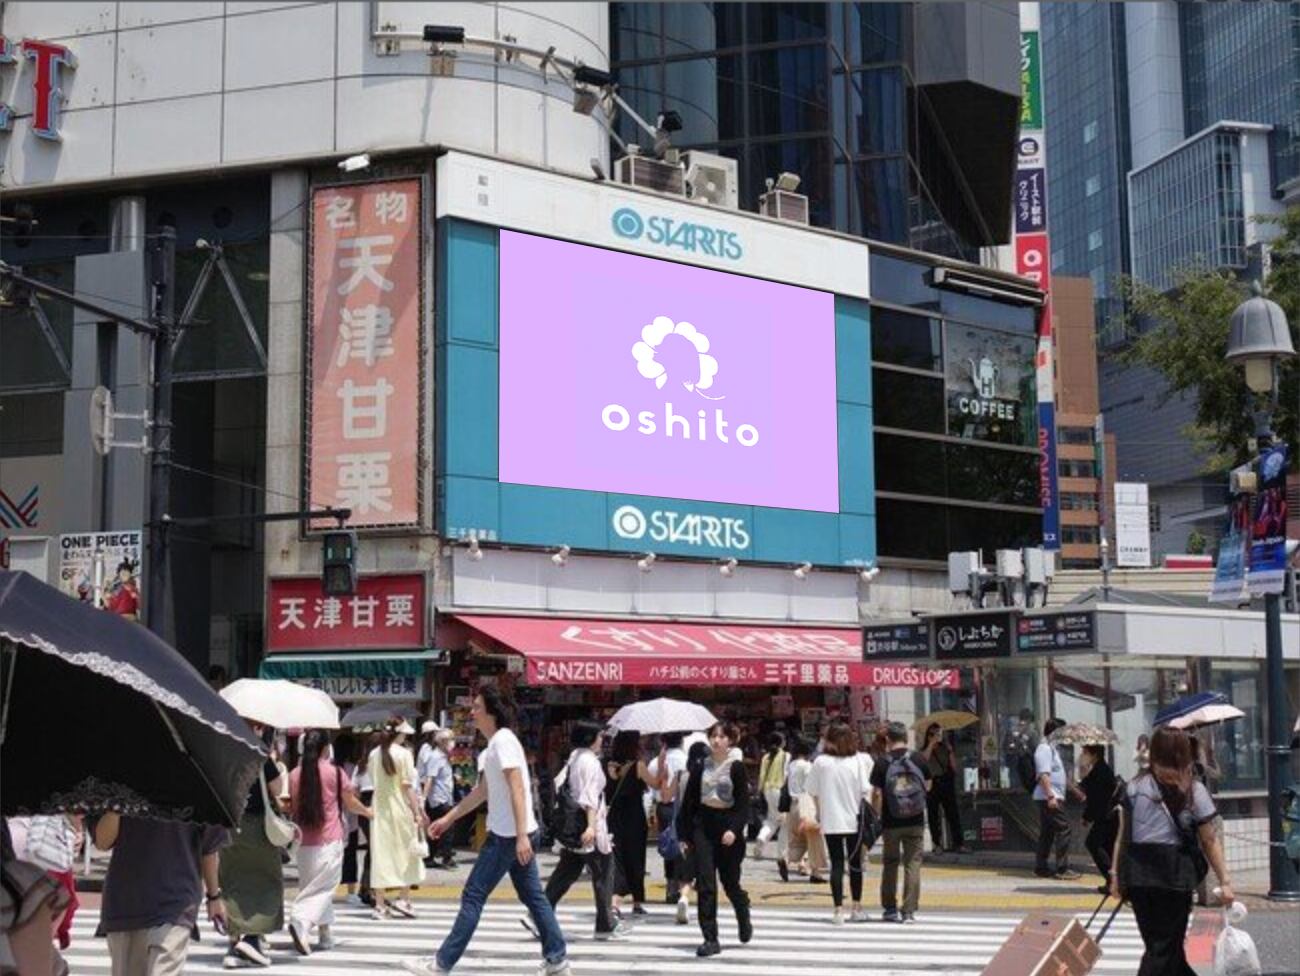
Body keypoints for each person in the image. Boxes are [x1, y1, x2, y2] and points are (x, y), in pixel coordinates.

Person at [402, 686, 570, 976]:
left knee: (473, 896)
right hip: (515, 832)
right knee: (534, 898)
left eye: (477, 707)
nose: (472, 712)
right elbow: (482, 792)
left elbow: (517, 786)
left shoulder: (503, 742)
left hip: (507, 836)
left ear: (491, 712)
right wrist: (449, 818)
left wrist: (519, 836)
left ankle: (442, 964)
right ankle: (557, 960)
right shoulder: (496, 744)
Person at [1111, 726, 1234, 976]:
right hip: (1174, 875)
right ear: (1182, 753)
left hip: (1138, 874)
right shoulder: (1192, 790)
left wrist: (1116, 875)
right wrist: (1225, 881)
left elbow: (1122, 837)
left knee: (1166, 947)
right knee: (1163, 949)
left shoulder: (1134, 787)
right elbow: (1209, 840)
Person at [91, 813, 227, 975]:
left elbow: (209, 847)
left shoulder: (202, 789)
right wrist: (118, 804)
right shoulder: (111, 789)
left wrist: (214, 896)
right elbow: (102, 842)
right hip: (126, 903)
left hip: (177, 902)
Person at [529, 721, 628, 941]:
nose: (602, 740)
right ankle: (605, 924)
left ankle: (540, 914)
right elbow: (589, 797)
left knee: (567, 871)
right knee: (604, 871)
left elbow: (560, 783)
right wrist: (592, 825)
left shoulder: (575, 757)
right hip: (588, 827)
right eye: (599, 736)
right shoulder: (589, 762)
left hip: (574, 825)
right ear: (590, 738)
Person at [288, 730, 373, 955]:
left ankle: (325, 934)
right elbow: (350, 803)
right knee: (323, 889)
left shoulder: (295, 774)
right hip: (330, 838)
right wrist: (368, 812)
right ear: (326, 748)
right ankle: (301, 921)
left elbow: (291, 806)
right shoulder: (334, 772)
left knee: (311, 887)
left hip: (303, 841)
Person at [677, 721, 752, 958]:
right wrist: (684, 835)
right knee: (706, 883)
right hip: (704, 827)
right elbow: (689, 803)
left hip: (728, 828)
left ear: (730, 740)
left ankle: (742, 909)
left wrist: (734, 829)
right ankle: (710, 937)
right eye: (713, 736)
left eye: (721, 736)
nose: (717, 740)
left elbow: (743, 805)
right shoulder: (700, 766)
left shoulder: (737, 767)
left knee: (730, 883)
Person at [220, 725, 286, 967]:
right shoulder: (258, 752)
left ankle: (232, 944)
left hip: (229, 825)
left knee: (232, 882)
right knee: (264, 881)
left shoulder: (223, 751)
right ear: (256, 727)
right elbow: (278, 788)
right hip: (257, 826)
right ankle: (252, 938)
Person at [808, 721, 873, 924]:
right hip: (854, 819)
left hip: (831, 818)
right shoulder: (857, 761)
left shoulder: (821, 762)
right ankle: (856, 907)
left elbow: (813, 791)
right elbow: (865, 790)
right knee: (855, 864)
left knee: (836, 863)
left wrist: (819, 812)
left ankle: (838, 911)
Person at [871, 721, 931, 923]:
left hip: (891, 821)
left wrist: (877, 815)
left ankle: (889, 909)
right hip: (915, 819)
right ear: (906, 737)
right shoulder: (918, 759)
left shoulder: (882, 762)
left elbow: (877, 794)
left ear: (888, 739)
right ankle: (908, 911)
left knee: (890, 863)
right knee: (913, 863)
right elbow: (928, 786)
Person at [368, 719, 426, 920]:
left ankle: (380, 905)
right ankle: (403, 897)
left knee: (381, 855)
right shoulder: (404, 754)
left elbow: (372, 780)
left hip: (379, 808)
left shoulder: (374, 754)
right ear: (400, 734)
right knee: (406, 852)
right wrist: (417, 812)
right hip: (400, 807)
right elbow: (407, 786)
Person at [605, 730, 664, 918]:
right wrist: (661, 765)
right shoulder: (638, 766)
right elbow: (655, 784)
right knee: (636, 858)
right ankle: (637, 902)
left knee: (616, 859)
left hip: (613, 816)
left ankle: (614, 902)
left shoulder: (606, 765)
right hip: (634, 818)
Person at [1034, 718, 1080, 880]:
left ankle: (1041, 867)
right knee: (1064, 828)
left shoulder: (1053, 749)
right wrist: (1051, 796)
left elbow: (1059, 775)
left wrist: (1075, 791)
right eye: (1063, 731)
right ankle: (1062, 868)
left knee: (1048, 832)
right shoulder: (1044, 749)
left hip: (1052, 796)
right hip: (1049, 796)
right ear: (1055, 732)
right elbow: (1043, 775)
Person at [778, 736, 827, 884]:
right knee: (814, 838)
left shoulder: (791, 765)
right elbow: (814, 787)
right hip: (806, 802)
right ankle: (816, 873)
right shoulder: (807, 766)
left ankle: (785, 858)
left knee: (797, 841)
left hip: (792, 805)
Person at [1070, 743, 1119, 894]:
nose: (1082, 756)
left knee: (1093, 844)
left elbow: (1095, 798)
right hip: (1107, 816)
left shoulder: (1100, 771)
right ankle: (1116, 880)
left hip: (1106, 816)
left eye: (1085, 752)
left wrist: (1087, 817)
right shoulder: (1099, 769)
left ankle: (1112, 881)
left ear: (1094, 755)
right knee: (1107, 848)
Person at [647, 731, 688, 904]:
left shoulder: (656, 761)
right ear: (681, 741)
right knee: (684, 847)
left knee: (668, 846)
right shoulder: (686, 760)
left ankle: (670, 886)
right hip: (682, 807)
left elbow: (650, 789)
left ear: (663, 742)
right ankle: (682, 885)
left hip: (664, 808)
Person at [922, 724, 964, 854]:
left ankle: (959, 843)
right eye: (931, 734)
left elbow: (954, 767)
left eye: (937, 733)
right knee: (933, 815)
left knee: (952, 813)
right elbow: (924, 760)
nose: (935, 736)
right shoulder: (924, 749)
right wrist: (931, 744)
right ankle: (937, 843)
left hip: (946, 782)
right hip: (932, 783)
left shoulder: (945, 748)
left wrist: (950, 751)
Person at [419, 728, 457, 869]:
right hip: (439, 798)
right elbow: (430, 778)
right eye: (451, 740)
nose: (453, 743)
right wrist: (423, 798)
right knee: (448, 826)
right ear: (443, 742)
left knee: (437, 827)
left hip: (444, 797)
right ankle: (446, 857)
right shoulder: (435, 757)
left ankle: (429, 857)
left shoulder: (443, 756)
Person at [753, 732, 788, 860]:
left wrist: (759, 790)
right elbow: (786, 773)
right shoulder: (785, 756)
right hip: (780, 790)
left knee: (772, 820)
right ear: (782, 742)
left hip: (768, 790)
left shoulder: (766, 757)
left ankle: (762, 837)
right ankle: (782, 853)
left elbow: (761, 776)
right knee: (784, 823)